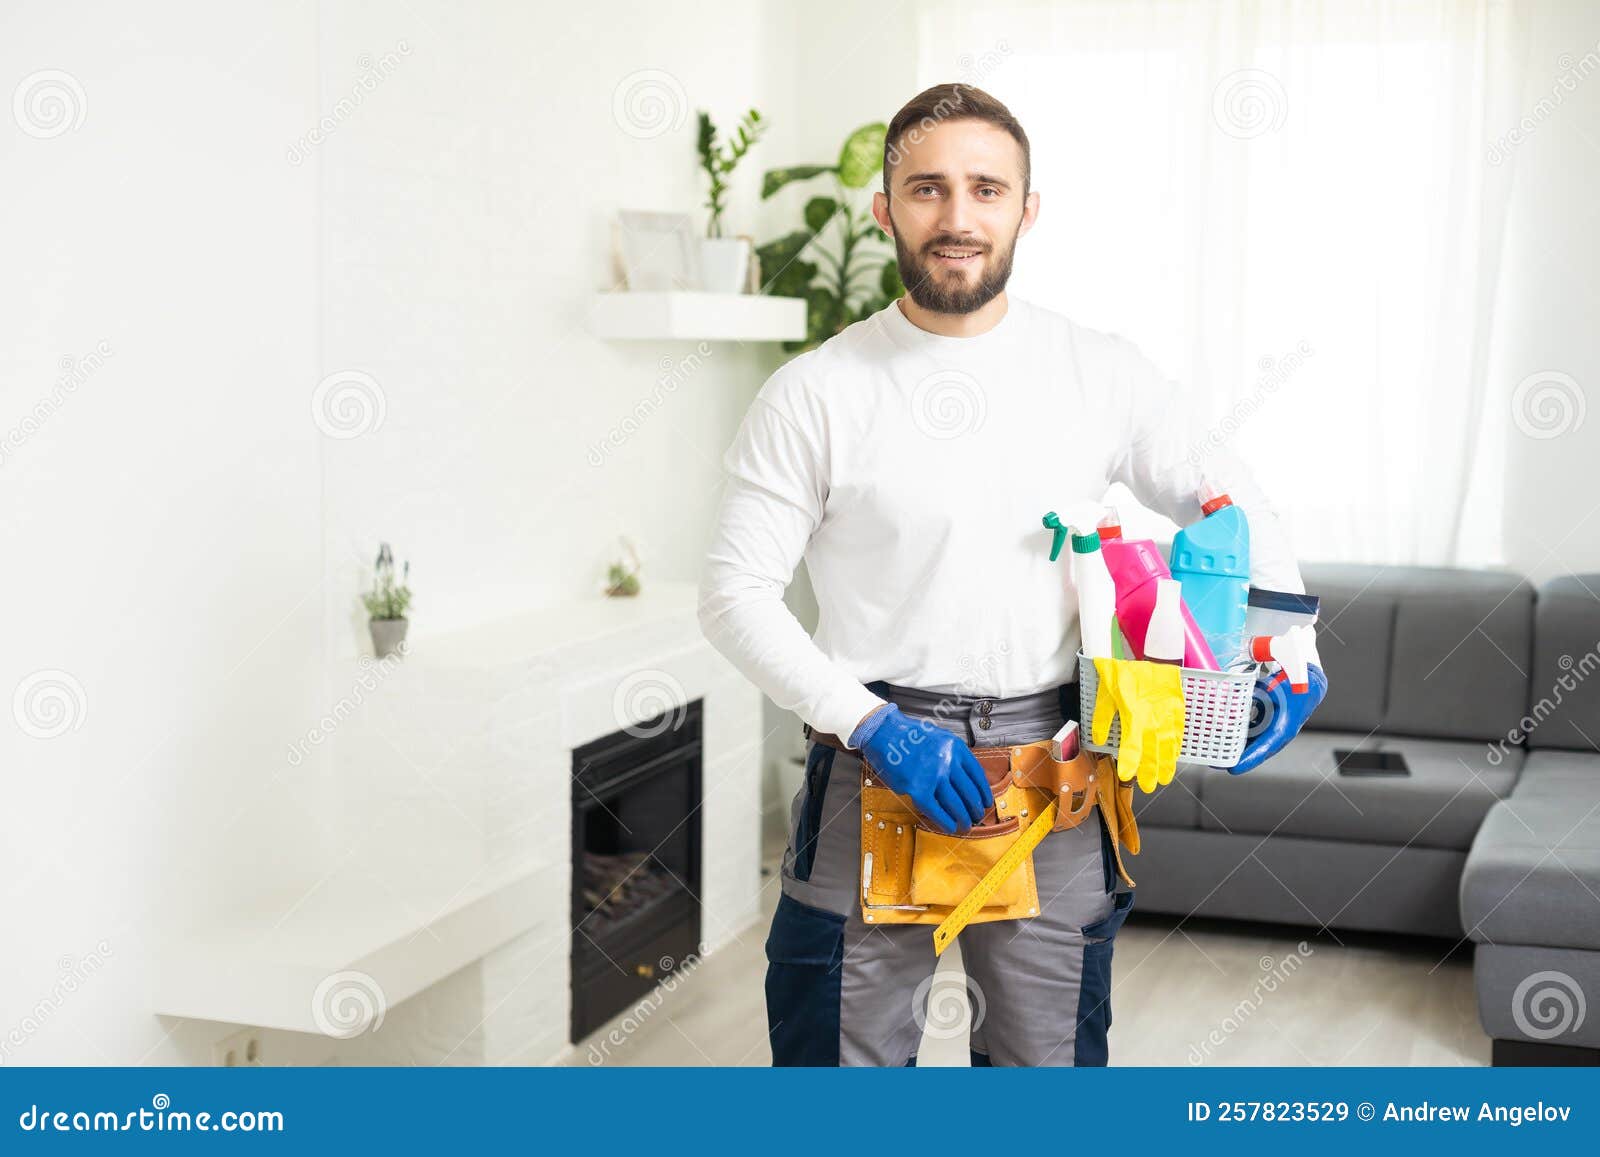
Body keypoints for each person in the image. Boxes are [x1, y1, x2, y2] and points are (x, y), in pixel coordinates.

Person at [697, 82, 1325, 1067]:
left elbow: (1226, 499)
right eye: (927, 188)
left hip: (1057, 769)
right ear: (884, 208)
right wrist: (871, 724)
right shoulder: (814, 392)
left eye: (986, 189)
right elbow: (733, 594)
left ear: (1026, 209)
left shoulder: (1099, 371)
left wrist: (1285, 645)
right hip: (872, 760)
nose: (957, 217)